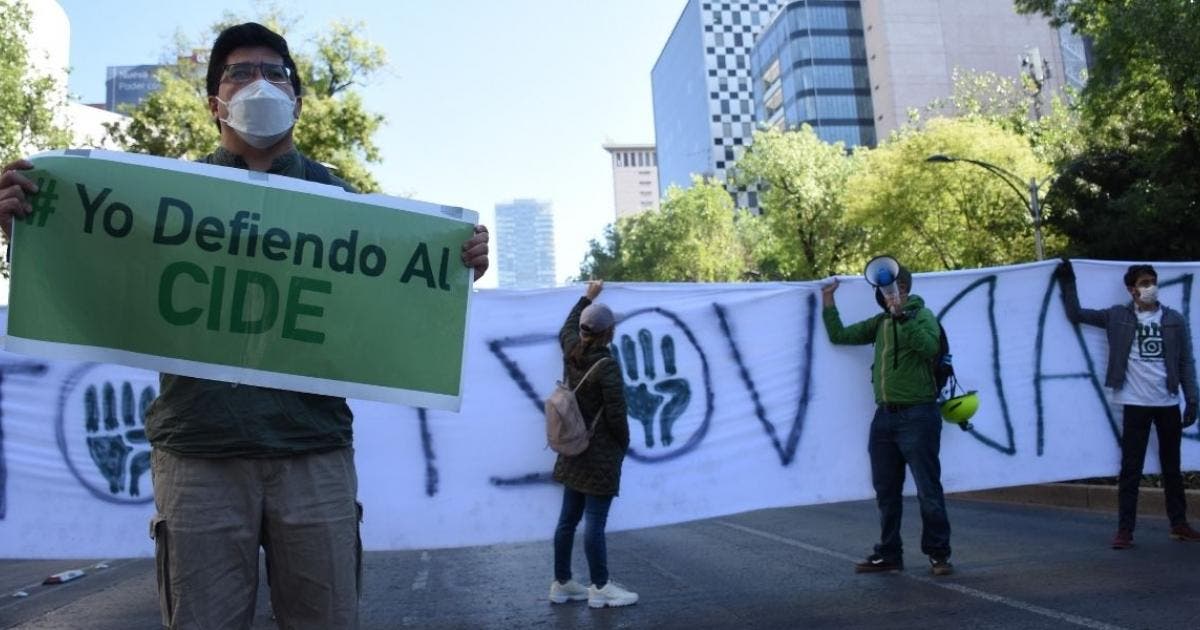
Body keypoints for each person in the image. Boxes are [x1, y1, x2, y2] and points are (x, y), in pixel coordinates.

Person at [0, 22, 489, 629]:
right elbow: (99, 275)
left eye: (276, 73)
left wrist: (456, 263)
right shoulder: (160, 200)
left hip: (313, 452)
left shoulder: (346, 204)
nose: (260, 83)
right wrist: (32, 231)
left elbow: (395, 302)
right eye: (240, 72)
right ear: (214, 103)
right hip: (199, 455)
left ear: (298, 102)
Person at [1055, 260, 1200, 549]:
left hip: (1167, 401)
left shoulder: (1173, 319)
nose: (1150, 288)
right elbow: (1076, 314)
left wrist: (1192, 398)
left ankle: (1179, 523)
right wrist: (1068, 282)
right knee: (1131, 468)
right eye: (1144, 283)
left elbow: (1186, 361)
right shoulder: (1116, 316)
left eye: (1152, 282)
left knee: (1172, 467)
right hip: (1134, 402)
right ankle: (1125, 530)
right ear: (1131, 289)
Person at [821, 265, 954, 576]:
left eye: (895, 289)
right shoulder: (880, 323)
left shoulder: (923, 316)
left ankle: (939, 554)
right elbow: (840, 335)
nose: (889, 295)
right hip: (884, 418)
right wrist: (828, 301)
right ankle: (890, 553)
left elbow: (929, 347)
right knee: (886, 491)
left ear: (906, 289)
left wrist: (902, 317)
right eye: (884, 291)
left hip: (919, 415)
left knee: (927, 488)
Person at [549, 280, 638, 609]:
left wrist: (587, 296)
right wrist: (622, 446)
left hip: (571, 449)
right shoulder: (607, 366)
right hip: (599, 456)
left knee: (567, 520)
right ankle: (599, 587)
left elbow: (568, 325)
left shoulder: (570, 347)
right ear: (608, 333)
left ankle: (562, 583)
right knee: (595, 523)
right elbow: (617, 415)